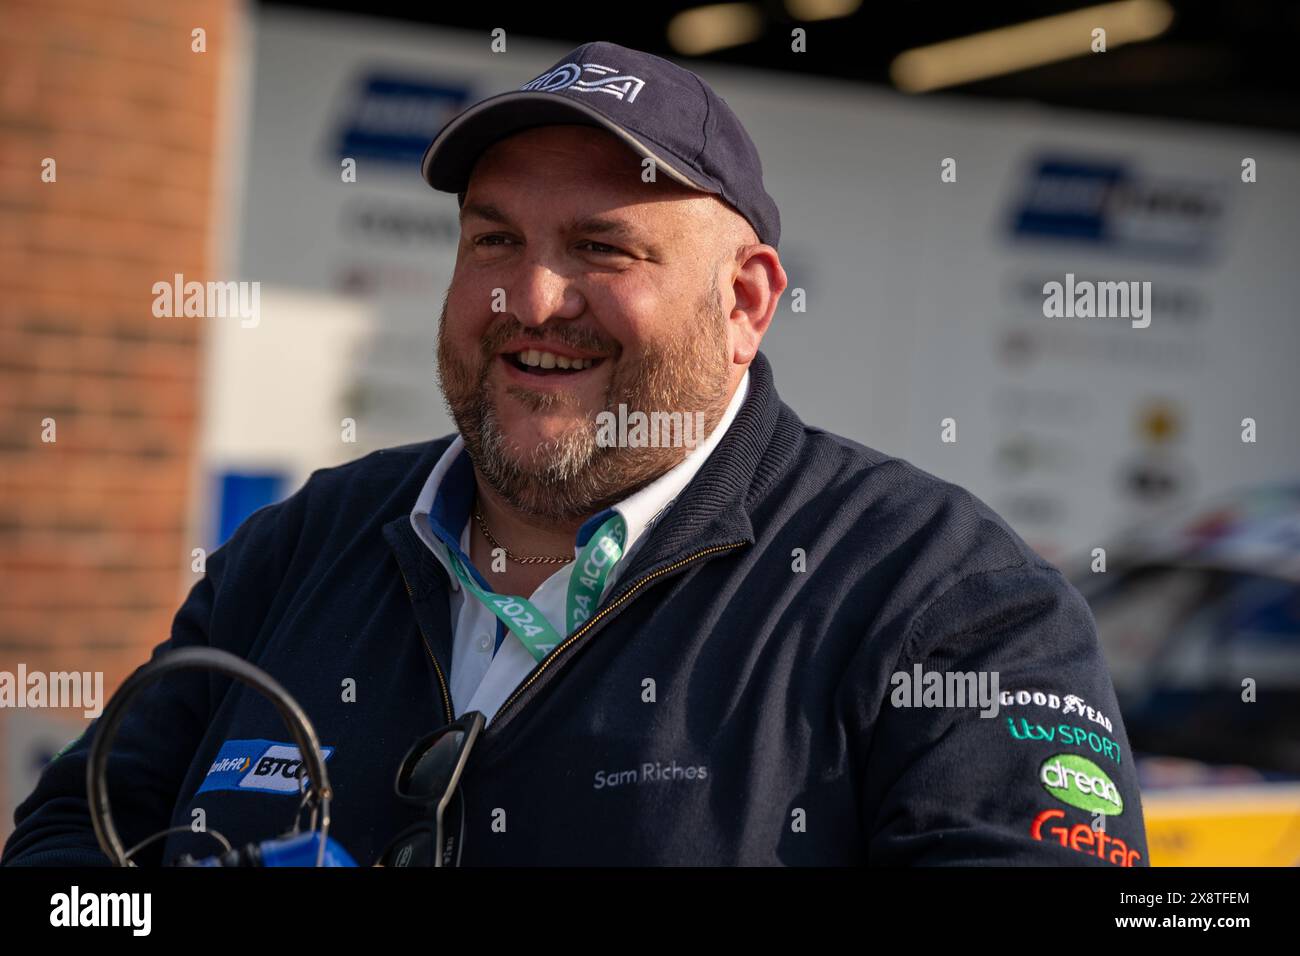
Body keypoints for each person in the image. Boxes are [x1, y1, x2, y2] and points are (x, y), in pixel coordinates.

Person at [3, 40, 1147, 867]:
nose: (530, 299)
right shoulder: (307, 540)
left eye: (603, 247)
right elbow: (62, 849)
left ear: (744, 301)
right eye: (494, 237)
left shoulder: (948, 600)